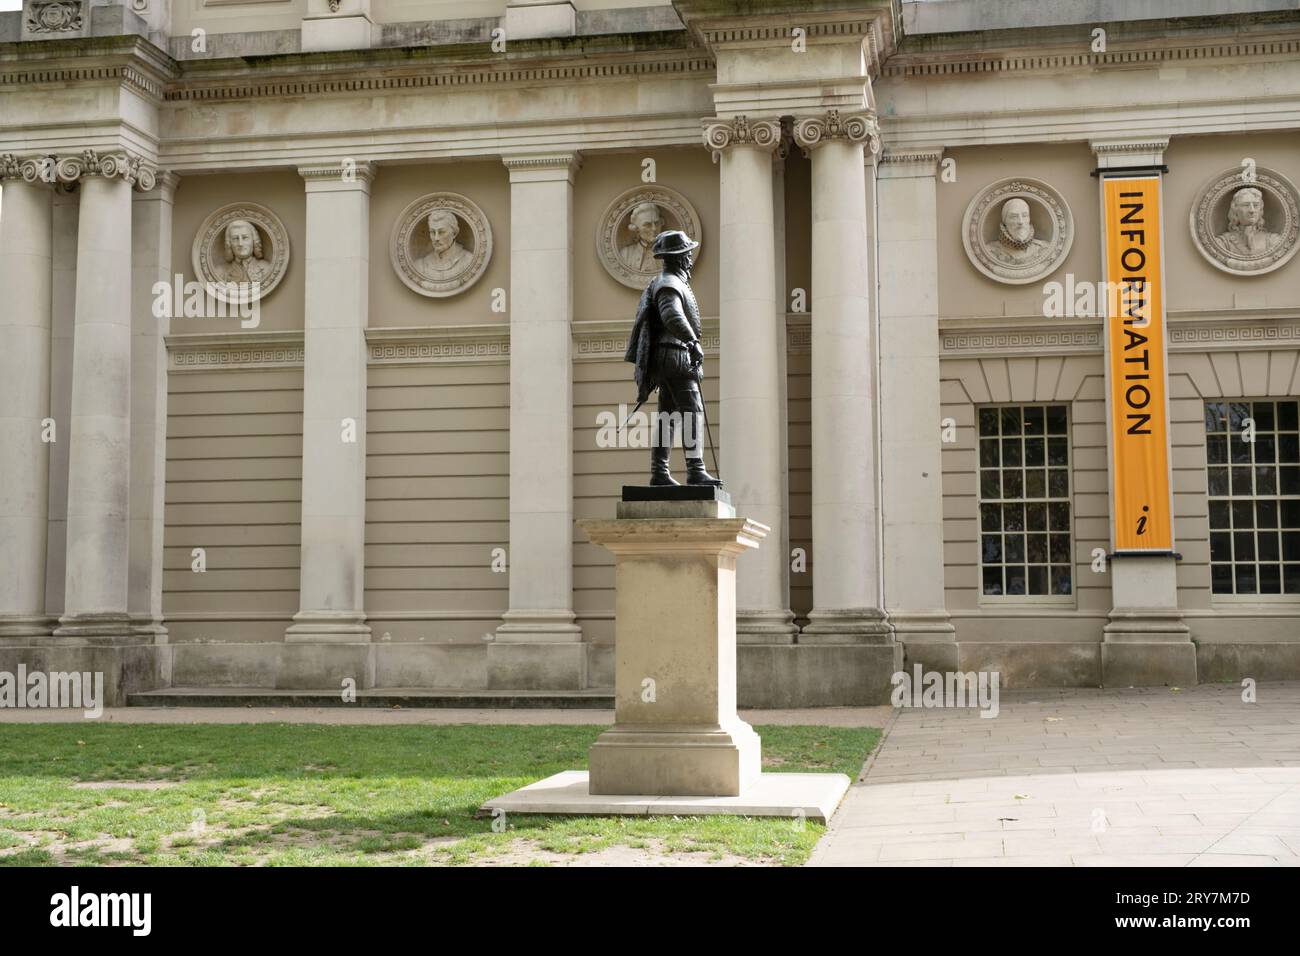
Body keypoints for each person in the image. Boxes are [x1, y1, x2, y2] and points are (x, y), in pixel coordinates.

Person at [623, 230, 721, 486]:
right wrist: (692, 341)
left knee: (668, 416)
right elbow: (672, 316)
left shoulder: (669, 281)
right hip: (675, 357)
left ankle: (659, 472)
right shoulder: (669, 283)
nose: (690, 258)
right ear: (678, 258)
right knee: (692, 411)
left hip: (669, 357)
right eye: (687, 254)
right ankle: (696, 470)